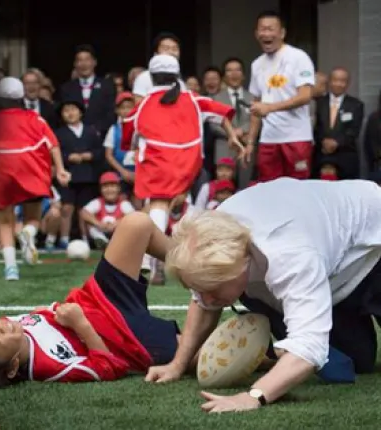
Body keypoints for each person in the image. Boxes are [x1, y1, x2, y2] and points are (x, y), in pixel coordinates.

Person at [147, 177, 381, 413]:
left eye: (211, 290)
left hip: (372, 237)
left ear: (239, 267)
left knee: (314, 353)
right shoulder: (216, 235)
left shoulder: (288, 254)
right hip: (328, 260)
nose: (204, 300)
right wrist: (177, 365)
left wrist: (253, 396)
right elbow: (203, 301)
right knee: (357, 361)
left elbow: (309, 346)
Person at [0, 212, 181, 386]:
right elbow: (109, 368)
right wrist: (81, 326)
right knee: (197, 349)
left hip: (99, 298)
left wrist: (47, 311)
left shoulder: (8, 326)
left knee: (136, 223)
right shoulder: (50, 366)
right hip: (128, 340)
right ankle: (204, 277)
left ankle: (195, 265)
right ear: (13, 366)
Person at [120, 55, 244, 242]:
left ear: (151, 77)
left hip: (159, 162)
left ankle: (150, 257)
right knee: (182, 201)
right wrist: (232, 136)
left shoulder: (145, 104)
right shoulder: (193, 99)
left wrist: (133, 145)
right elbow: (219, 112)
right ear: (177, 75)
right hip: (188, 163)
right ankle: (183, 249)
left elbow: (129, 131)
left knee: (158, 203)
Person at [0, 76, 70, 281]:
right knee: (33, 216)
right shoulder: (34, 117)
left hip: (3, 170)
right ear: (21, 96)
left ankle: (11, 269)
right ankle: (29, 233)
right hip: (31, 170)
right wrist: (60, 169)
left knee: (5, 221)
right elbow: (53, 143)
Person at [246, 10, 316, 182]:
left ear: (282, 33)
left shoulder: (299, 57)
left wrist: (270, 107)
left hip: (296, 137)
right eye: (262, 29)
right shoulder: (257, 64)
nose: (266, 34)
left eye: (271, 29)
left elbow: (305, 96)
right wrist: (250, 143)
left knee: (298, 188)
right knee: (269, 188)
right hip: (268, 139)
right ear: (256, 34)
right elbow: (256, 105)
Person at [55, 99, 103, 247]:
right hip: (68, 175)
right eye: (66, 110)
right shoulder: (58, 133)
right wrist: (67, 157)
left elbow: (100, 151)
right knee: (67, 207)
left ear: (81, 112)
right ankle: (63, 239)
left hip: (88, 176)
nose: (70, 113)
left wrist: (90, 155)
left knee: (85, 209)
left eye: (73, 109)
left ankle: (85, 238)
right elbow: (54, 152)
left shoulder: (91, 131)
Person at [80, 172, 135, 248]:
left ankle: (119, 243)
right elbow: (84, 212)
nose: (109, 189)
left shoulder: (124, 203)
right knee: (88, 222)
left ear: (118, 188)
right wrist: (98, 223)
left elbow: (133, 216)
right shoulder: (97, 202)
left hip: (117, 233)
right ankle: (101, 241)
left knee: (130, 222)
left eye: (112, 186)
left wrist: (117, 223)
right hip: (100, 230)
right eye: (105, 186)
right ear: (100, 189)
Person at [104, 91, 139, 207]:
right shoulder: (113, 129)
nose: (126, 111)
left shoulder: (141, 128)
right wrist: (122, 171)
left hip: (139, 173)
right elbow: (108, 155)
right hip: (120, 173)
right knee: (122, 202)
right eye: (122, 108)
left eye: (129, 107)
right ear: (117, 110)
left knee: (138, 201)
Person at [133, 33, 183, 102]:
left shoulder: (180, 80)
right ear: (156, 53)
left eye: (175, 49)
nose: (171, 52)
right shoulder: (144, 78)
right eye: (166, 48)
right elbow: (139, 106)